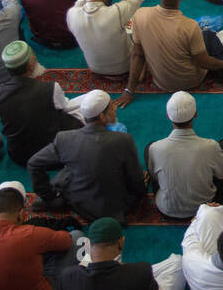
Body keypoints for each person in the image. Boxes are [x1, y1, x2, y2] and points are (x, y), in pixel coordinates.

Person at [28, 90, 145, 221]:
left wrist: (48, 196)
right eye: (112, 107)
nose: (115, 109)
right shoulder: (123, 140)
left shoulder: (65, 138)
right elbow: (136, 179)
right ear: (102, 116)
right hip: (115, 207)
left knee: (67, 171)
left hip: (78, 202)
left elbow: (34, 164)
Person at [123, 0, 223, 97]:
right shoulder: (190, 26)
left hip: (162, 82)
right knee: (208, 35)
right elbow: (203, 62)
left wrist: (129, 90)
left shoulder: (140, 16)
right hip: (191, 81)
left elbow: (137, 55)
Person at [0, 42, 84, 165]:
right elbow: (64, 109)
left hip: (19, 156)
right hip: (54, 155)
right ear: (31, 65)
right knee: (88, 107)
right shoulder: (51, 89)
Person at [146, 92, 223, 218]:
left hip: (166, 210)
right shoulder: (210, 146)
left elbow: (155, 177)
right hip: (205, 210)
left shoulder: (155, 148)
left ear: (168, 116)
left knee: (149, 149)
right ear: (195, 114)